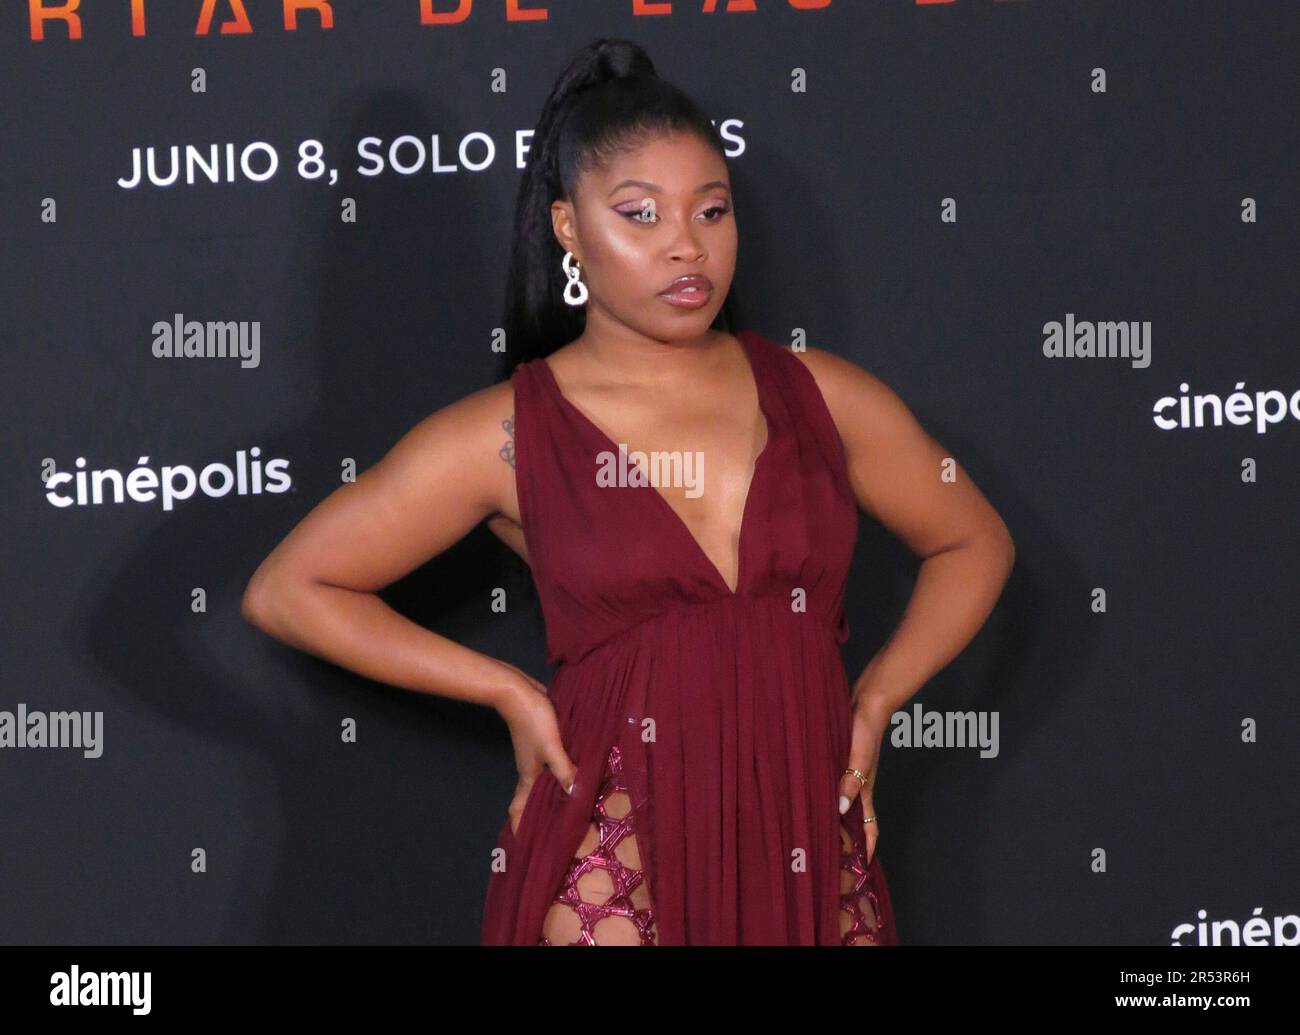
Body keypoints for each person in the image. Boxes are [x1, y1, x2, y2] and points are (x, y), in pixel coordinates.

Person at [241, 37, 1014, 946]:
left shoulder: (822, 395)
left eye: (711, 211)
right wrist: (508, 691)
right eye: (639, 214)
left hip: (801, 840)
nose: (686, 245)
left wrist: (875, 699)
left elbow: (974, 540)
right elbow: (289, 588)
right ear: (568, 227)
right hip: (616, 857)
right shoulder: (507, 432)